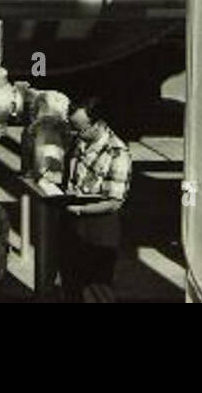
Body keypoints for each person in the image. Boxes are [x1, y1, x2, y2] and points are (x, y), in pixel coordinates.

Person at [58, 95, 131, 302]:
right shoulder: (78, 142)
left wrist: (80, 210)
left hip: (99, 227)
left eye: (80, 128)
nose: (76, 133)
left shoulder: (117, 152)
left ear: (98, 124)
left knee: (97, 291)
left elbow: (114, 202)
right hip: (72, 222)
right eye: (73, 127)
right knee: (71, 284)